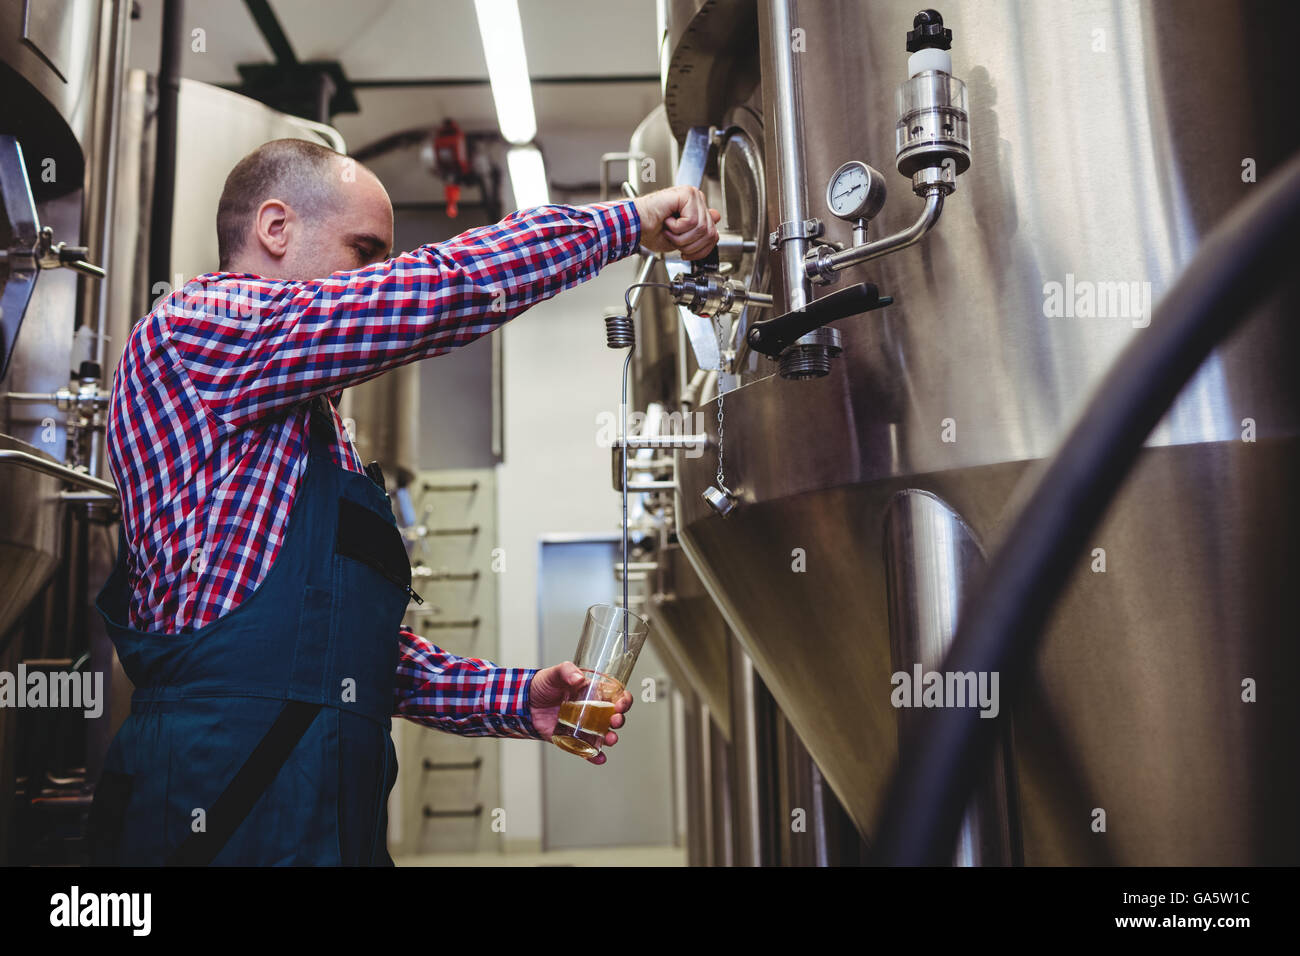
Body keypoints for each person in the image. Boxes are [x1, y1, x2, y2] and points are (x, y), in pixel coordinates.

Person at [88, 138, 721, 865]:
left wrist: (519, 700)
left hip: (332, 809)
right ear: (273, 229)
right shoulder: (201, 324)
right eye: (365, 251)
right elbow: (436, 291)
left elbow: (346, 660)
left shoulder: (321, 432)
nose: (377, 278)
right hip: (216, 798)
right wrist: (624, 224)